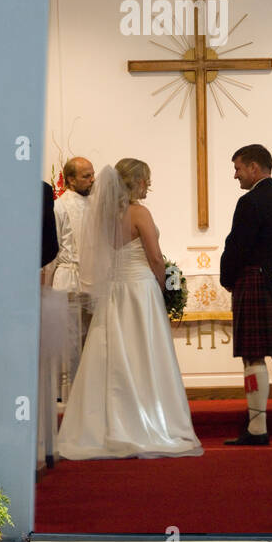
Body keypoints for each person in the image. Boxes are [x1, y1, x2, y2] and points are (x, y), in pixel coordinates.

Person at [56, 158, 203, 460]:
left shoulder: (103, 216)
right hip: (140, 292)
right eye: (146, 179)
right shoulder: (139, 213)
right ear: (135, 182)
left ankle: (106, 425)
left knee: (112, 357)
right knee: (145, 355)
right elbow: (156, 259)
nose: (149, 185)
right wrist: (167, 289)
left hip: (114, 292)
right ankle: (148, 423)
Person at [219, 144, 272, 446]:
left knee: (253, 355)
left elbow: (237, 247)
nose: (236, 175)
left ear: (255, 168)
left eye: (238, 168)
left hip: (254, 281)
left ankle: (257, 428)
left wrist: (228, 278)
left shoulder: (250, 202)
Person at [49, 157, 95, 385]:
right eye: (86, 176)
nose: (92, 180)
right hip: (68, 276)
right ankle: (66, 388)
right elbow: (53, 246)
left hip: (92, 279)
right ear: (70, 179)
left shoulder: (96, 204)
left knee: (90, 338)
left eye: (92, 174)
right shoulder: (59, 205)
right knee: (69, 339)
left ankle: (86, 389)